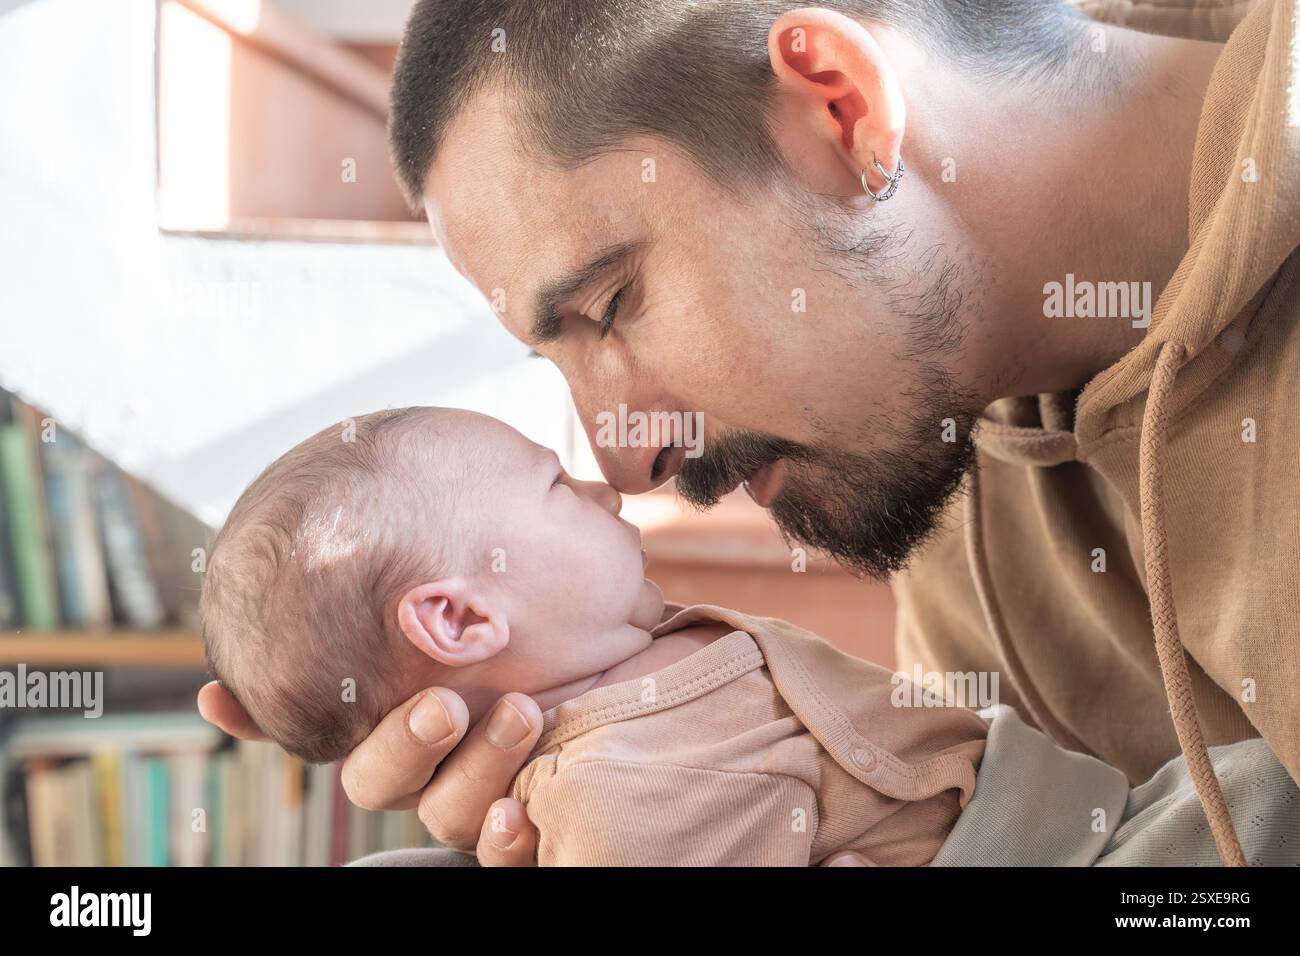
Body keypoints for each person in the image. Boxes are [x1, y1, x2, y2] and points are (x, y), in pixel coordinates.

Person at [200, 0, 1299, 866]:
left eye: (611, 306)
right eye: (557, 359)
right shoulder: (936, 434)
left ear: (838, 107)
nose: (621, 458)